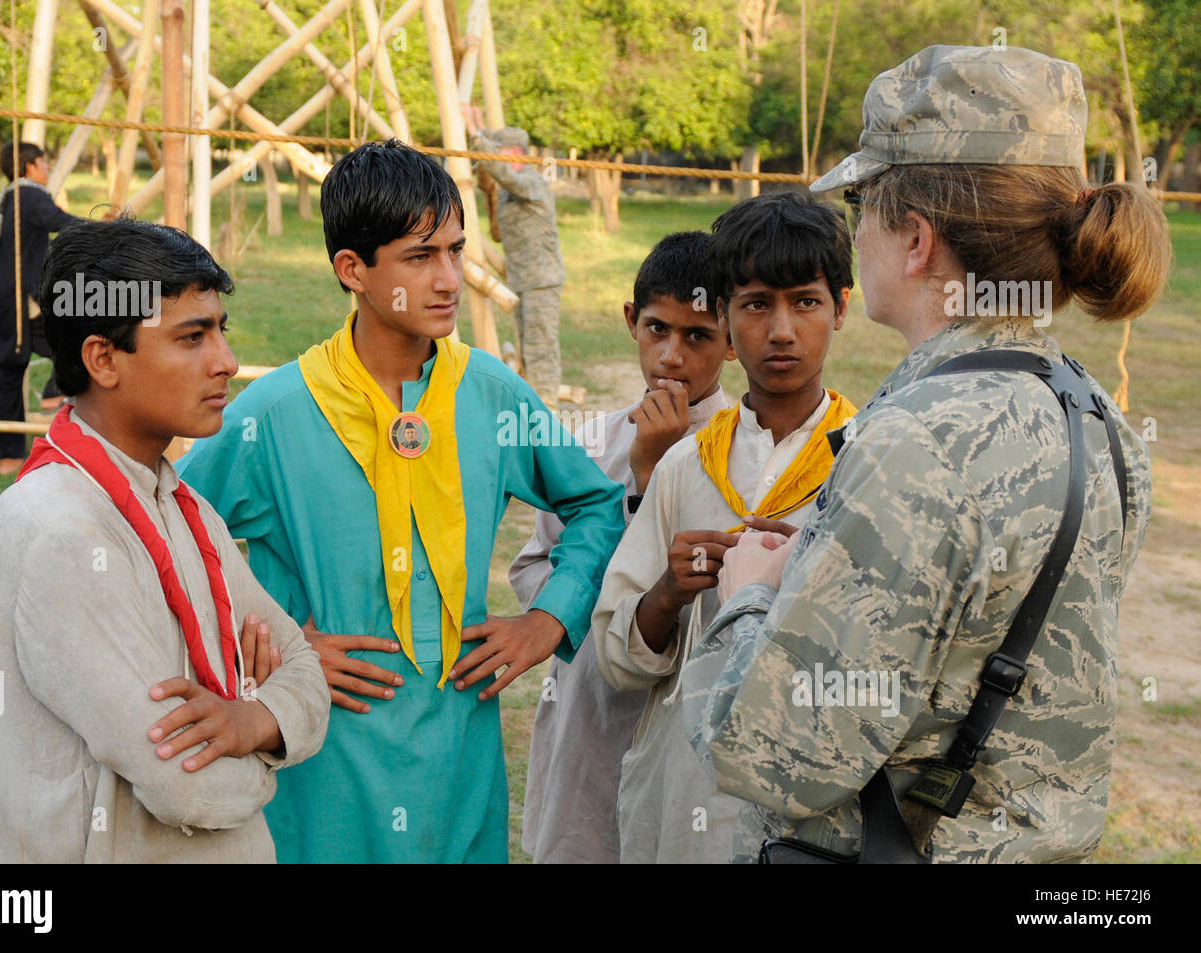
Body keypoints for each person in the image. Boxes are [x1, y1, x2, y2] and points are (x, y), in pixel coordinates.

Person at [686, 44, 1170, 863]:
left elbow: (776, 756)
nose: (855, 231)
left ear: (914, 236)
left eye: (861, 205)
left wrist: (753, 596)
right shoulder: (1096, 414)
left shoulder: (917, 440)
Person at [176, 139, 625, 863]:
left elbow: (598, 505)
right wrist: (267, 647)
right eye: (421, 257)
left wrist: (549, 618)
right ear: (352, 270)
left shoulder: (490, 391)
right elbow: (164, 536)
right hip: (326, 762)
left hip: (461, 758)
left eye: (456, 249)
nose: (451, 278)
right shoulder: (276, 412)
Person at [0, 219, 330, 862]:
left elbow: (305, 672)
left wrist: (249, 720)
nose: (226, 361)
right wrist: (270, 737)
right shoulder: (60, 530)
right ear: (103, 359)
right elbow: (190, 789)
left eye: (221, 330)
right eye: (191, 337)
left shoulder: (180, 505)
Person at [592, 192, 859, 863]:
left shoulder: (866, 464)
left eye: (805, 301)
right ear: (726, 316)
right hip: (684, 793)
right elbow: (618, 655)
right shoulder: (686, 464)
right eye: (756, 303)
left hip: (808, 798)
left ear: (843, 308)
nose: (781, 330)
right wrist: (667, 593)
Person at [510, 230, 736, 863]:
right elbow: (534, 571)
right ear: (631, 321)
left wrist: (655, 478)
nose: (672, 356)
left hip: (688, 724)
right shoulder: (587, 445)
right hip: (590, 716)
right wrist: (637, 479)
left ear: (733, 342)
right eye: (658, 329)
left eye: (698, 336)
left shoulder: (744, 455)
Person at [0, 142, 85, 475]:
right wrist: (101, 229)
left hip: (8, 299)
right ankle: (13, 449)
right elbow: (60, 222)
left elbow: (39, 244)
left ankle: (16, 444)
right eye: (43, 162)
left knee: (12, 367)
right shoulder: (29, 196)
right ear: (30, 167)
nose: (46, 169)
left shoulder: (9, 199)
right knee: (72, 341)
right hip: (18, 301)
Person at [462, 103, 566, 409]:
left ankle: (548, 407)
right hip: (524, 278)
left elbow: (502, 172)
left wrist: (475, 134)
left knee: (540, 347)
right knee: (527, 346)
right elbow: (497, 231)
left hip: (541, 279)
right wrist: (480, 127)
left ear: (516, 154)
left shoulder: (531, 182)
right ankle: (535, 401)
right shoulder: (509, 191)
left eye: (502, 152)